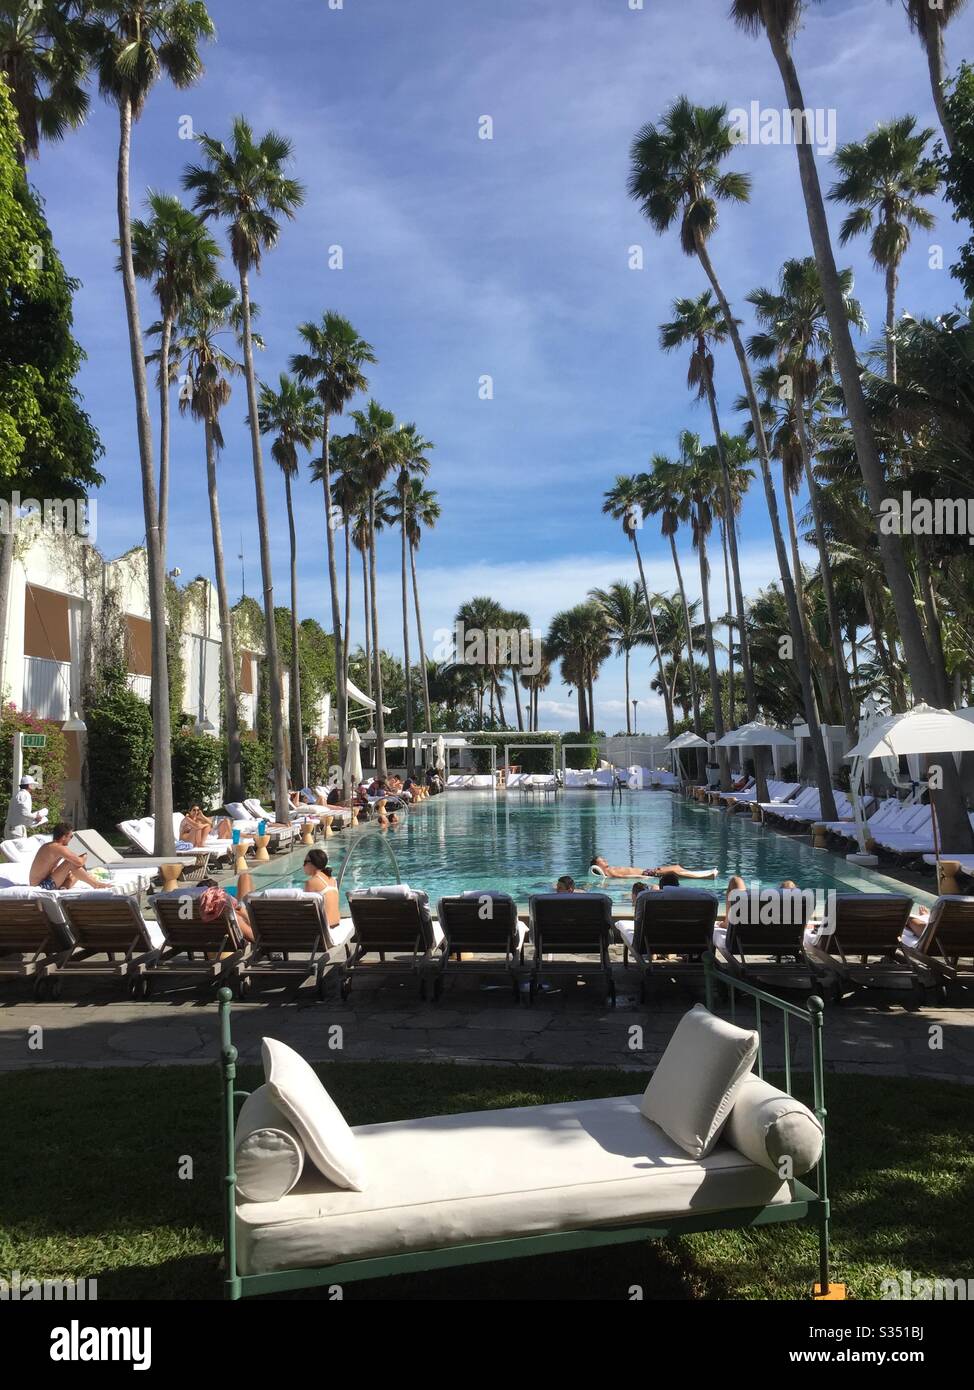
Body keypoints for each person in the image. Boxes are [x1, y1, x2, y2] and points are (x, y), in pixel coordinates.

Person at [30, 823, 110, 890]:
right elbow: (79, 862)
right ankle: (96, 884)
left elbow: (49, 868)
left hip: (44, 882)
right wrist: (86, 854)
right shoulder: (58, 848)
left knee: (76, 872)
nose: (71, 839)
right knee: (71, 863)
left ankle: (64, 888)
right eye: (71, 836)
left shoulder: (50, 846)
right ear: (64, 837)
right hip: (41, 886)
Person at [300, 848, 342, 929]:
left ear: (313, 864)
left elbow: (305, 910)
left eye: (305, 862)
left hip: (324, 929)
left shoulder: (311, 882)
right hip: (336, 925)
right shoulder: (333, 880)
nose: (303, 865)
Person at [590, 856, 717, 880]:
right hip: (647, 873)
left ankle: (697, 874)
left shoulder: (610, 868)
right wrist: (640, 876)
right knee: (674, 871)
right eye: (602, 860)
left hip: (648, 870)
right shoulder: (609, 872)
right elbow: (624, 876)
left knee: (677, 867)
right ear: (597, 864)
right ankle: (705, 876)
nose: (605, 860)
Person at [4, 775, 47, 839]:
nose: (34, 786)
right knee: (21, 849)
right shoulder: (25, 795)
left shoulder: (17, 795)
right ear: (29, 785)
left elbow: (19, 813)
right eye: (33, 784)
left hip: (9, 828)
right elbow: (24, 812)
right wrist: (36, 817)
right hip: (17, 830)